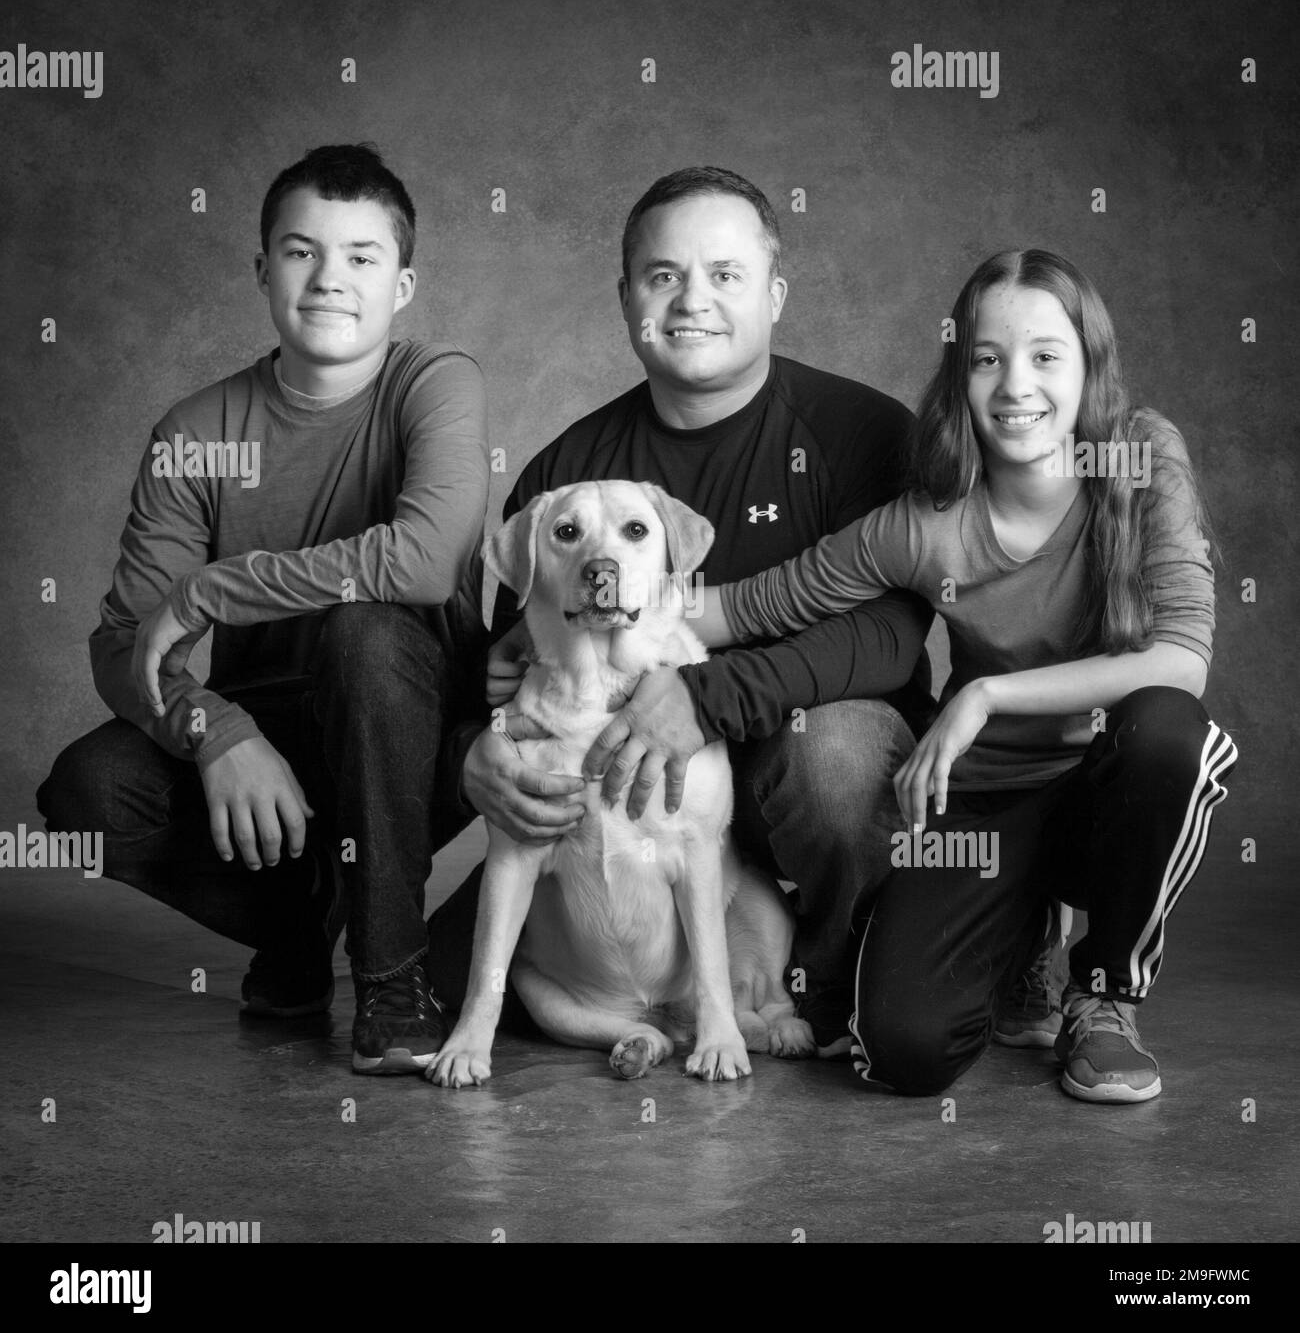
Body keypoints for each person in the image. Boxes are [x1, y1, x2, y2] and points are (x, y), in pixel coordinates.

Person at [693, 248, 1239, 1102]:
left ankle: (1103, 997)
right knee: (903, 1051)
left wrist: (986, 693)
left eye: (1046, 357)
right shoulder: (928, 525)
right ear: (961, 375)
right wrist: (593, 609)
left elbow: (1183, 660)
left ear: (1090, 366)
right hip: (986, 809)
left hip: (1110, 791)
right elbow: (757, 604)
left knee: (1171, 730)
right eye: (987, 359)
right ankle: (1017, 938)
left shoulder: (1138, 459)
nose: (1016, 385)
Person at [430, 167, 933, 1053]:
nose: (692, 299)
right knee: (443, 981)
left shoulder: (864, 434)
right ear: (626, 297)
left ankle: (834, 979)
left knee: (836, 756)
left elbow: (891, 637)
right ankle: (666, 1005)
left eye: (725, 274)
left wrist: (704, 699)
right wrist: (476, 742)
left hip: (795, 758)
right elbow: (504, 653)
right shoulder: (566, 472)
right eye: (663, 275)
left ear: (775, 295)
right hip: (615, 793)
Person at [37, 144, 489, 1076]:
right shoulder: (197, 433)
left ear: (402, 284)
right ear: (261, 270)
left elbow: (425, 561)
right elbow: (126, 641)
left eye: (362, 257)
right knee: (88, 792)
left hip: (418, 730)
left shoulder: (434, 382)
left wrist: (213, 588)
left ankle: (391, 977)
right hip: (271, 751)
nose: (330, 280)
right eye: (300, 251)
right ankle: (297, 923)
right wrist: (213, 725)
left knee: (365, 634)